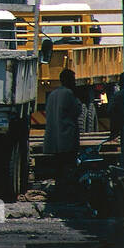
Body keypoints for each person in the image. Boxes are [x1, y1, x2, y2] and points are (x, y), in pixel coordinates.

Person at [44, 68, 81, 196]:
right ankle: (67, 191)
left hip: (54, 138)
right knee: (69, 166)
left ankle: (59, 189)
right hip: (67, 137)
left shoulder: (53, 94)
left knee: (58, 167)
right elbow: (77, 111)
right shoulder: (69, 94)